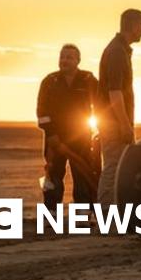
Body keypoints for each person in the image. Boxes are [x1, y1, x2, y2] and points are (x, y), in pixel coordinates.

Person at [36, 44, 99, 209]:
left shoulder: (88, 80)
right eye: (62, 57)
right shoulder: (49, 81)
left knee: (83, 177)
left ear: (78, 61)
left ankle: (83, 215)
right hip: (55, 140)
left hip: (82, 138)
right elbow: (42, 112)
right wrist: (51, 135)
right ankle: (50, 215)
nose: (64, 60)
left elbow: (101, 104)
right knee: (53, 177)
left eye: (69, 57)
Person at [96, 8, 141, 205]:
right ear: (133, 26)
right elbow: (114, 93)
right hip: (114, 122)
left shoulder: (120, 50)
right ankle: (107, 220)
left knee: (119, 168)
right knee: (114, 168)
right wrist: (124, 125)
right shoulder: (117, 52)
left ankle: (114, 218)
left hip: (113, 120)